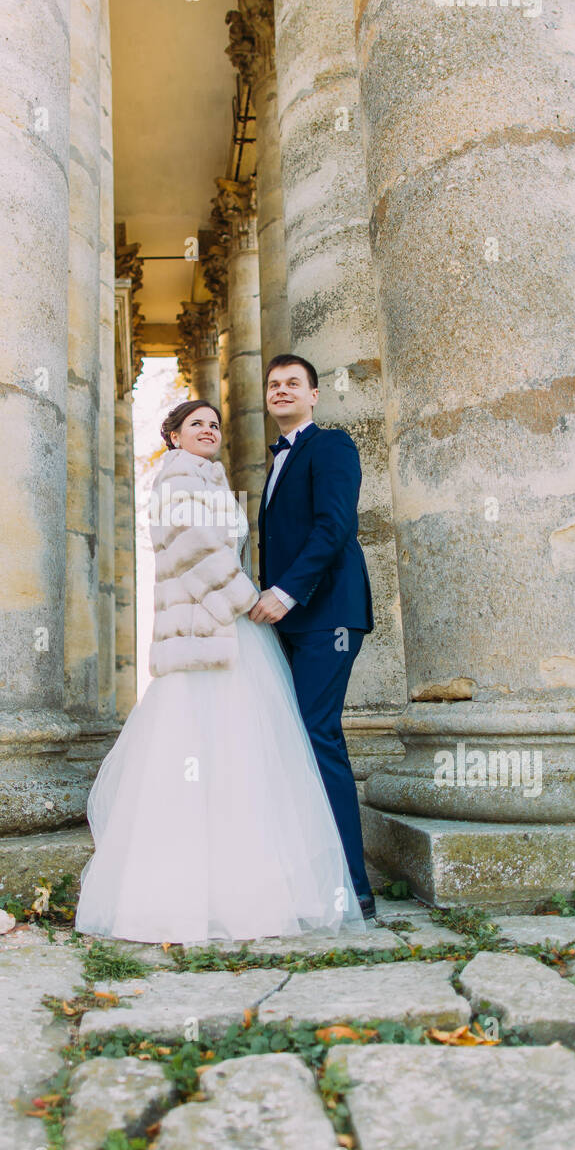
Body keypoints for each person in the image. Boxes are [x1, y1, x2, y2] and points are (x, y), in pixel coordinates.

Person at [74, 397, 369, 945]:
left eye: (214, 423)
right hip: (206, 633)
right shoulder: (177, 479)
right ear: (174, 436)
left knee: (238, 759)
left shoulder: (209, 478)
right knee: (209, 752)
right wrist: (249, 600)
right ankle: (187, 896)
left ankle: (243, 888)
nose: (208, 430)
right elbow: (197, 554)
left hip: (222, 631)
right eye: (196, 424)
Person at [250, 354, 376, 920]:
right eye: (274, 385)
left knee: (318, 736)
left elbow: (334, 526)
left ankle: (355, 889)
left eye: (292, 384)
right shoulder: (275, 461)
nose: (281, 391)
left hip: (329, 615)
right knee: (298, 739)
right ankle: (311, 877)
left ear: (314, 395)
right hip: (293, 620)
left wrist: (285, 592)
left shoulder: (331, 446)